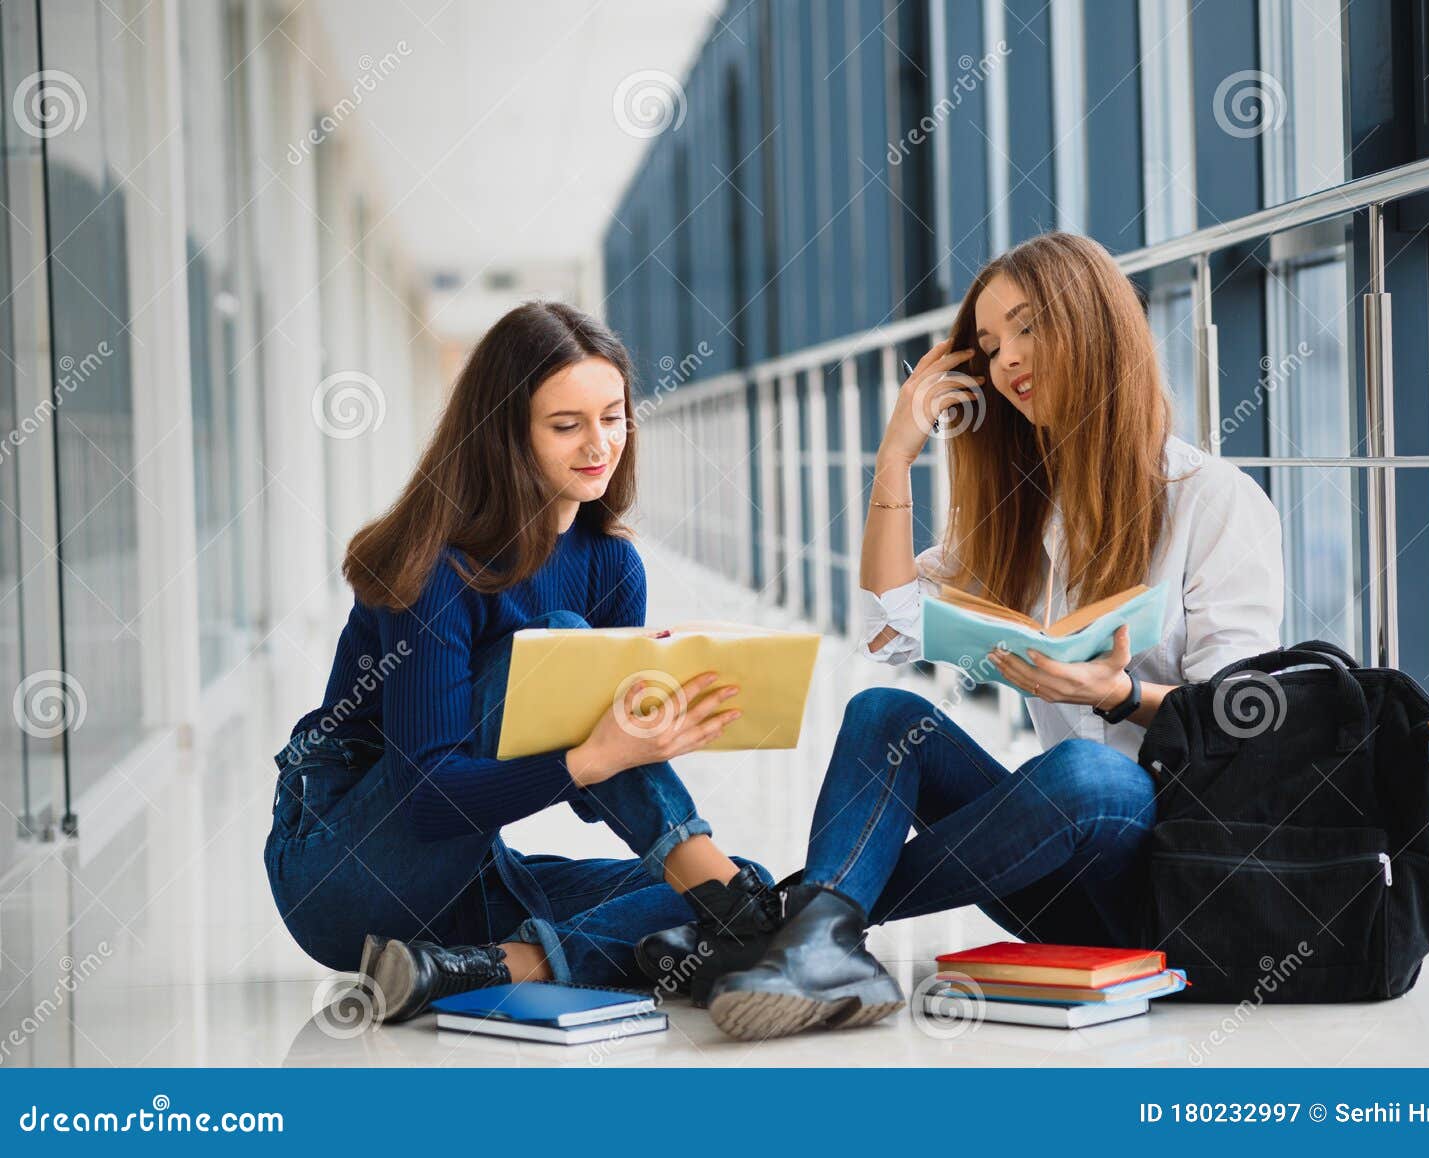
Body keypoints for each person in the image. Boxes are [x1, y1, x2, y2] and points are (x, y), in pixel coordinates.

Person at [699, 231, 1285, 1041]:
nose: (1007, 359)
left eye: (1029, 326)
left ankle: (776, 925)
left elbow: (1244, 726)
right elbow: (883, 631)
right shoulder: (1025, 515)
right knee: (884, 715)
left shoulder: (1212, 500)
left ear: (1095, 323)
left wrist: (1119, 694)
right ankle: (819, 934)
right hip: (1047, 873)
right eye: (988, 344)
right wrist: (895, 459)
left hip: (1166, 886)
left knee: (1086, 770)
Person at [263, 302, 781, 1024]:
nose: (599, 444)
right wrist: (593, 757)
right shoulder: (437, 566)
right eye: (566, 425)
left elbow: (598, 790)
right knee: (555, 644)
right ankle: (738, 906)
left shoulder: (611, 564)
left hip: (465, 885)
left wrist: (635, 740)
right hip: (346, 873)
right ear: (507, 435)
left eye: (613, 416)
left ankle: (473, 969)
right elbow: (430, 799)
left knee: (718, 891)